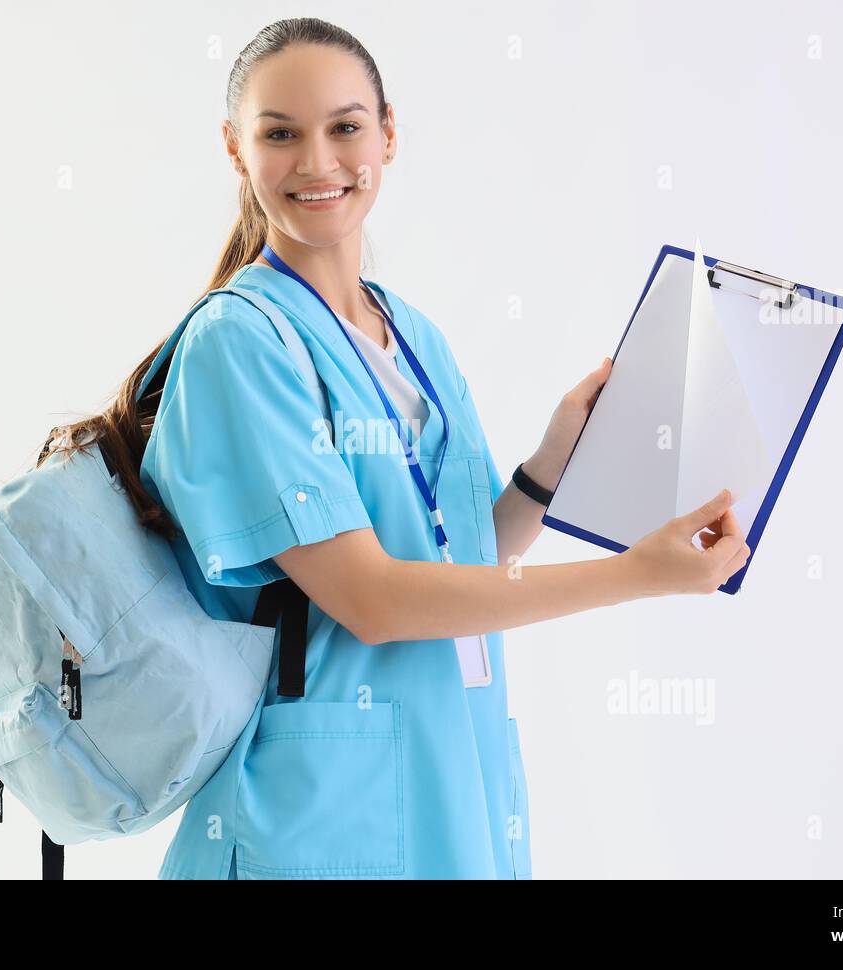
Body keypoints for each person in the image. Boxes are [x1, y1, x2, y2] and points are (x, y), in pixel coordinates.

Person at [69, 17, 749, 879]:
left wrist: (545, 471)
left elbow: (456, 557)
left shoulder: (413, 336)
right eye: (280, 134)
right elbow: (372, 599)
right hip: (318, 816)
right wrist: (636, 577)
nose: (318, 162)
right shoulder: (240, 345)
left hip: (454, 780)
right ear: (236, 151)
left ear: (389, 134)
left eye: (346, 127)